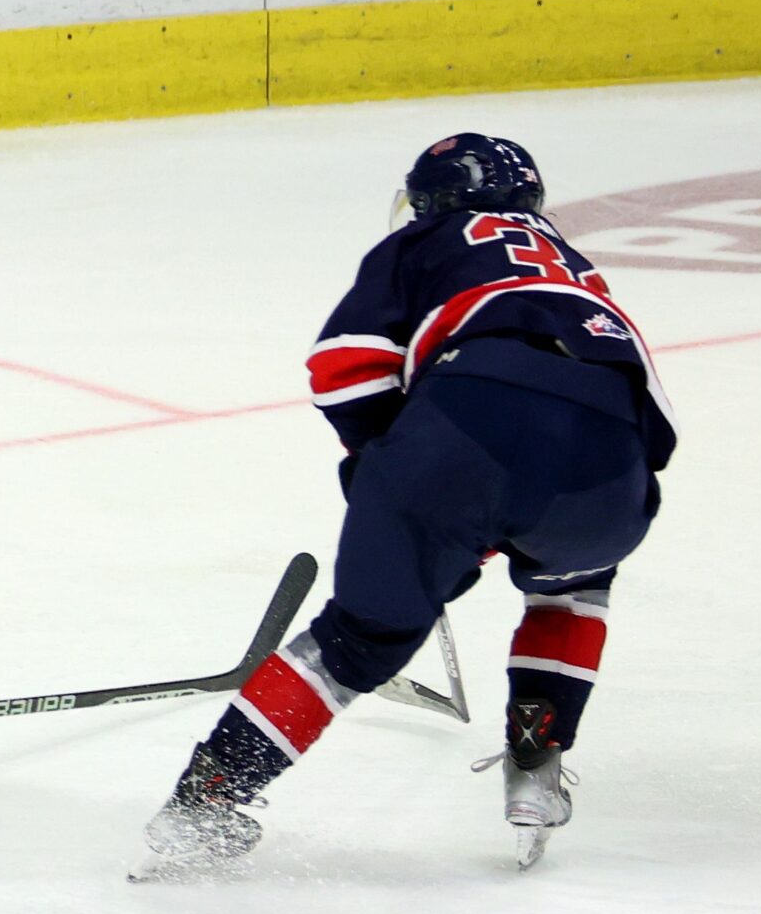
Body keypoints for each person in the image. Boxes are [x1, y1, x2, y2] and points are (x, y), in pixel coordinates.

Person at [143, 134, 675, 870]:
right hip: (609, 460)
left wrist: (395, 478)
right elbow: (656, 425)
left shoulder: (425, 243)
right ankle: (536, 763)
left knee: (358, 641)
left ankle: (203, 805)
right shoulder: (576, 271)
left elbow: (345, 368)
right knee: (575, 585)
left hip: (461, 424)